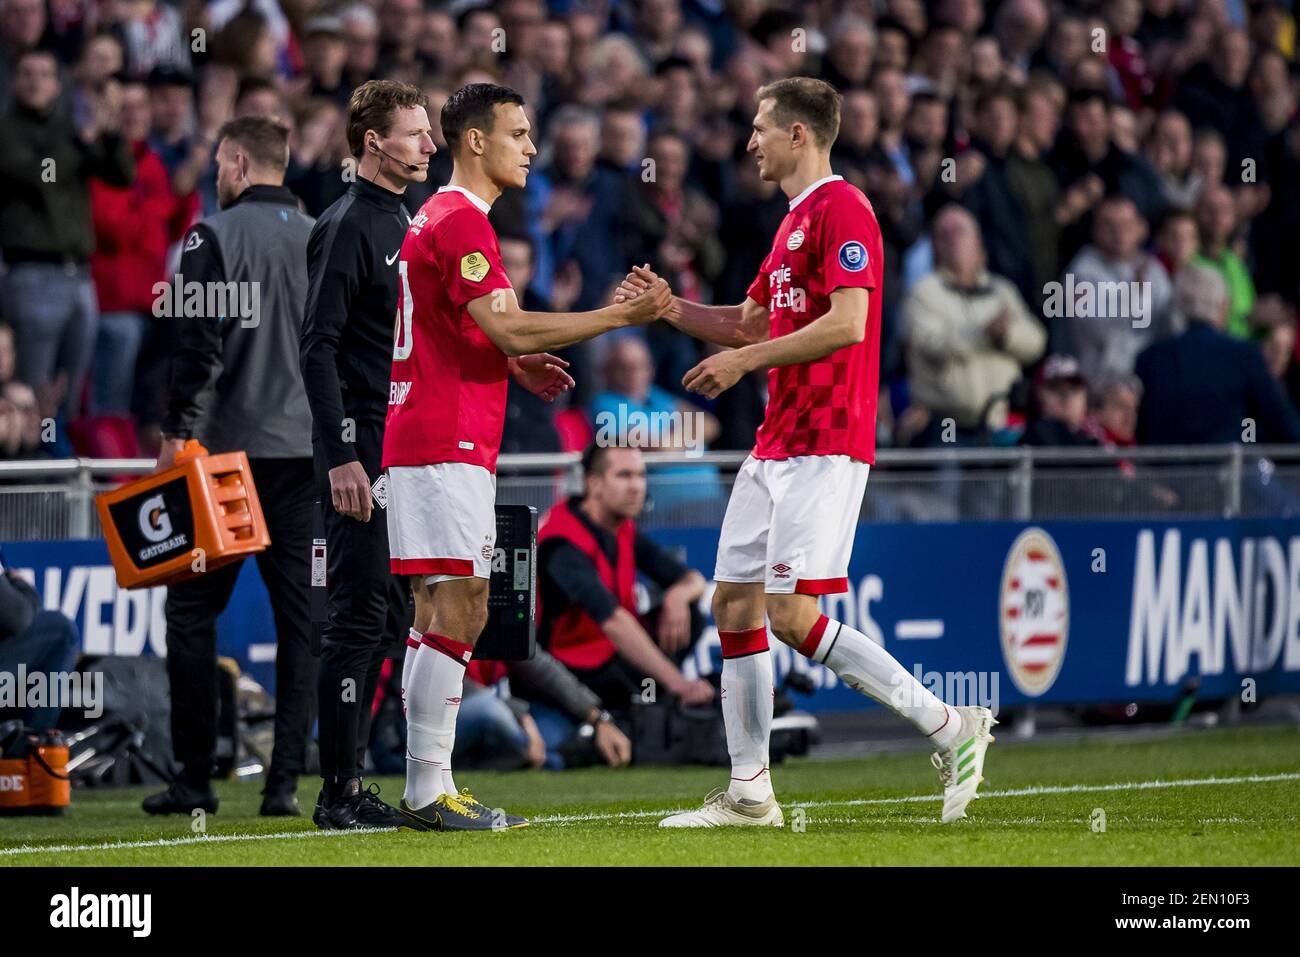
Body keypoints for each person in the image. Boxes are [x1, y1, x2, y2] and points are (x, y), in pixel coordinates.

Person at [619, 77, 995, 828]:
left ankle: (952, 726)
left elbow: (850, 322)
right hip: (776, 441)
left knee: (791, 614)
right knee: (732, 601)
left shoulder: (844, 209)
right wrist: (670, 309)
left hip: (827, 441)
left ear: (799, 134)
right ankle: (751, 791)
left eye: (760, 127)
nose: (748, 140)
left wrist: (747, 364)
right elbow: (747, 323)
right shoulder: (791, 223)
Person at [383, 82, 670, 832]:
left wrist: (512, 366)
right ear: (474, 140)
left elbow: (472, 332)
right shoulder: (462, 223)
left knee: (435, 611)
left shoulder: (437, 218)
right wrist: (617, 314)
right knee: (463, 606)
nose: (532, 148)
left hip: (431, 436)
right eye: (517, 133)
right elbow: (508, 325)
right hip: (444, 441)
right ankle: (427, 788)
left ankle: (427, 784)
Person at [144, 117, 319, 818]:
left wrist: (174, 435)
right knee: (302, 623)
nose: (217, 175)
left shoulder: (209, 236)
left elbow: (197, 348)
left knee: (189, 613)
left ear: (239, 163)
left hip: (224, 464)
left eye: (220, 164)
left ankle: (195, 777)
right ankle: (283, 784)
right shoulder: (318, 237)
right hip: (308, 460)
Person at [300, 80, 434, 830]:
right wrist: (341, 456)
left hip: (399, 449)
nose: (428, 144)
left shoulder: (403, 218)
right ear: (372, 141)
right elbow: (317, 346)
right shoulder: (350, 222)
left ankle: (353, 777)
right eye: (415, 133)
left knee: (385, 617)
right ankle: (337, 792)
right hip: (362, 453)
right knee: (355, 618)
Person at [537, 444, 711, 712]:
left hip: (613, 650)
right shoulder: (561, 540)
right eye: (624, 475)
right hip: (573, 662)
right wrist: (678, 682)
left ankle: (662, 699)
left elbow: (693, 580)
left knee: (690, 612)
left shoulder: (622, 526)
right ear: (594, 483)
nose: (636, 487)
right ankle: (665, 698)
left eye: (641, 475)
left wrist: (677, 596)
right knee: (635, 679)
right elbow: (612, 621)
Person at [903, 204, 1045, 444]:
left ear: (978, 241)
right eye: (942, 234)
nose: (951, 239)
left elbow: (1036, 342)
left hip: (1001, 425)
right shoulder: (923, 292)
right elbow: (929, 344)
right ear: (935, 246)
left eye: (959, 231)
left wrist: (1005, 336)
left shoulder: (1002, 290)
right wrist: (984, 335)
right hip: (946, 427)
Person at [1136, 263, 1300, 445]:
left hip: (1162, 471)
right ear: (1223, 307)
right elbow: (1283, 423)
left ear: (1179, 307)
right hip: (1226, 470)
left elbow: (1141, 430)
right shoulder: (1244, 355)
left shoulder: (1148, 358)